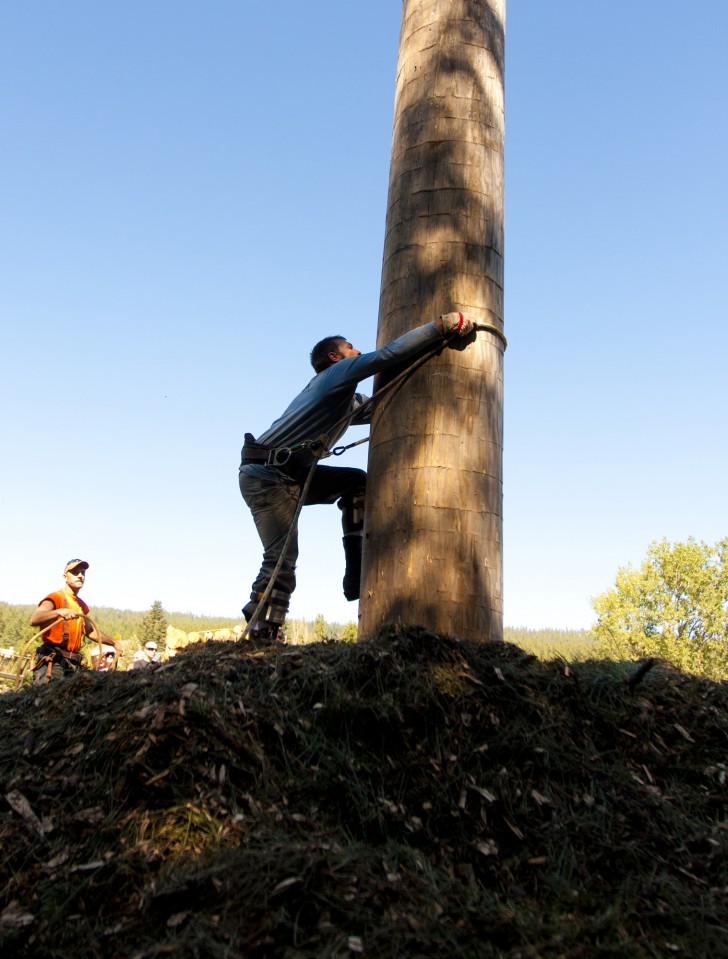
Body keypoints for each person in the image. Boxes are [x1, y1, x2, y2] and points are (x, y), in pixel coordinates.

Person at [239, 311, 474, 639]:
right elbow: (388, 355)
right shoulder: (335, 375)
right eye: (351, 348)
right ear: (335, 357)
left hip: (291, 476)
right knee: (282, 556)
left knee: (356, 483)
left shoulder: (345, 400)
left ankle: (355, 569)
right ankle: (262, 626)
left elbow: (383, 401)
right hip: (266, 477)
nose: (357, 352)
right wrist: (441, 327)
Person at [29, 559, 124, 683]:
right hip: (53, 661)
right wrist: (59, 612)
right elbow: (34, 619)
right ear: (65, 577)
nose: (80, 576)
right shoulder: (55, 597)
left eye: (83, 573)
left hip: (73, 663)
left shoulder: (81, 605)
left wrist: (113, 642)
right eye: (75, 572)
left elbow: (90, 631)